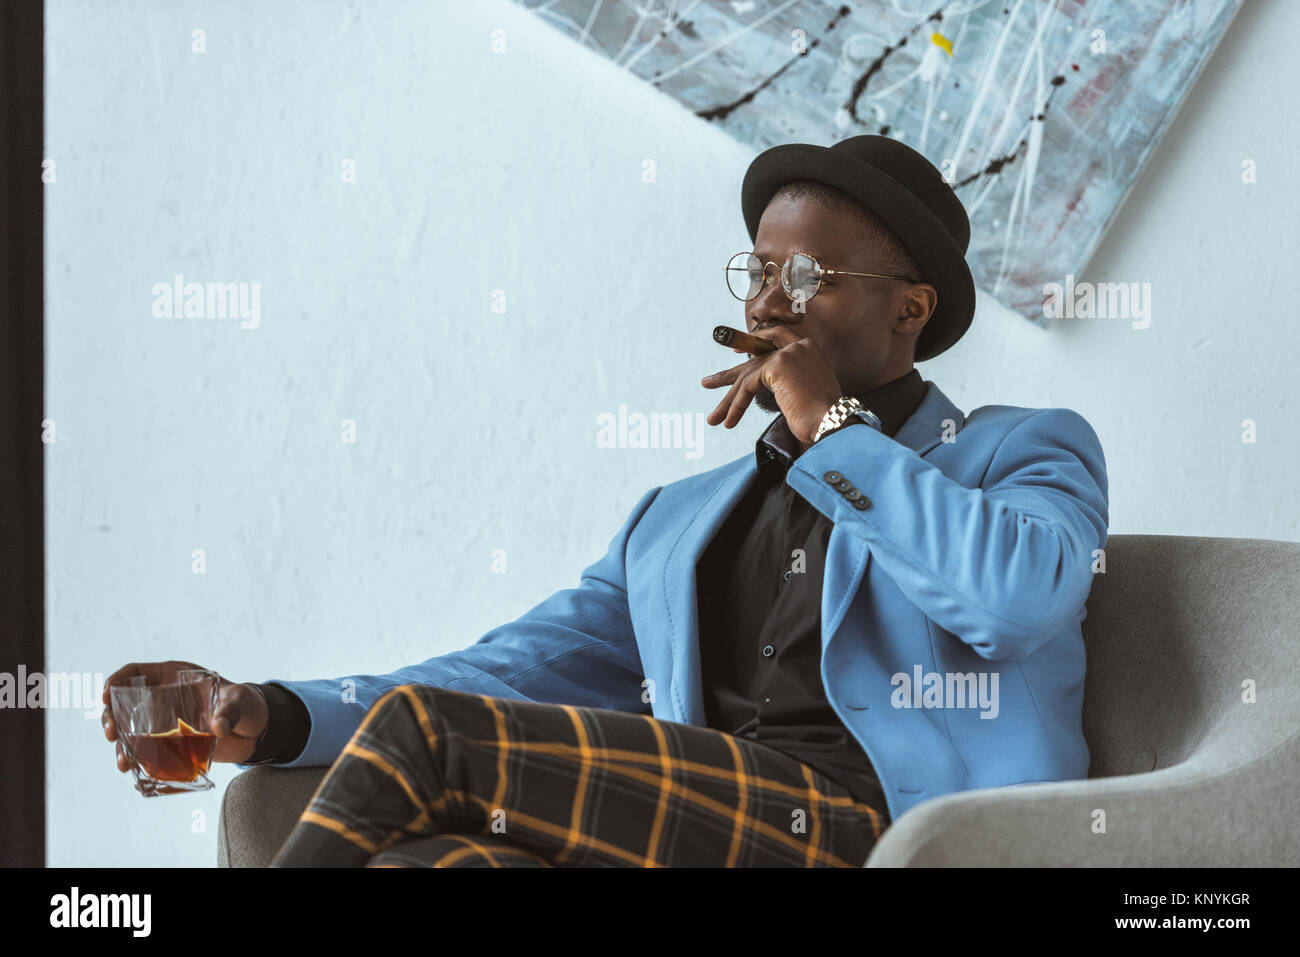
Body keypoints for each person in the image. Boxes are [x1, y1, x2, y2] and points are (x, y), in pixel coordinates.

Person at [102, 135, 1108, 867]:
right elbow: (507, 672)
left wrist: (831, 429)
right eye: (758, 272)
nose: (765, 302)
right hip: (698, 816)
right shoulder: (676, 522)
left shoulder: (1020, 451)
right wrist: (270, 716)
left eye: (808, 275)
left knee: (433, 738)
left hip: (886, 829)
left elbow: (1015, 598)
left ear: (909, 308)